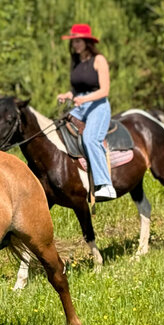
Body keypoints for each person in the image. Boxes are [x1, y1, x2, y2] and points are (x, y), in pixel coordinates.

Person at [57, 23, 117, 201]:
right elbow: (77, 90)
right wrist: (68, 95)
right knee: (58, 130)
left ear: (87, 42)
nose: (75, 45)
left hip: (98, 105)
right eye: (73, 41)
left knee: (90, 138)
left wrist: (84, 99)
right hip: (81, 105)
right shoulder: (77, 62)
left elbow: (104, 90)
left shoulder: (99, 60)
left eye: (78, 41)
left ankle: (105, 185)